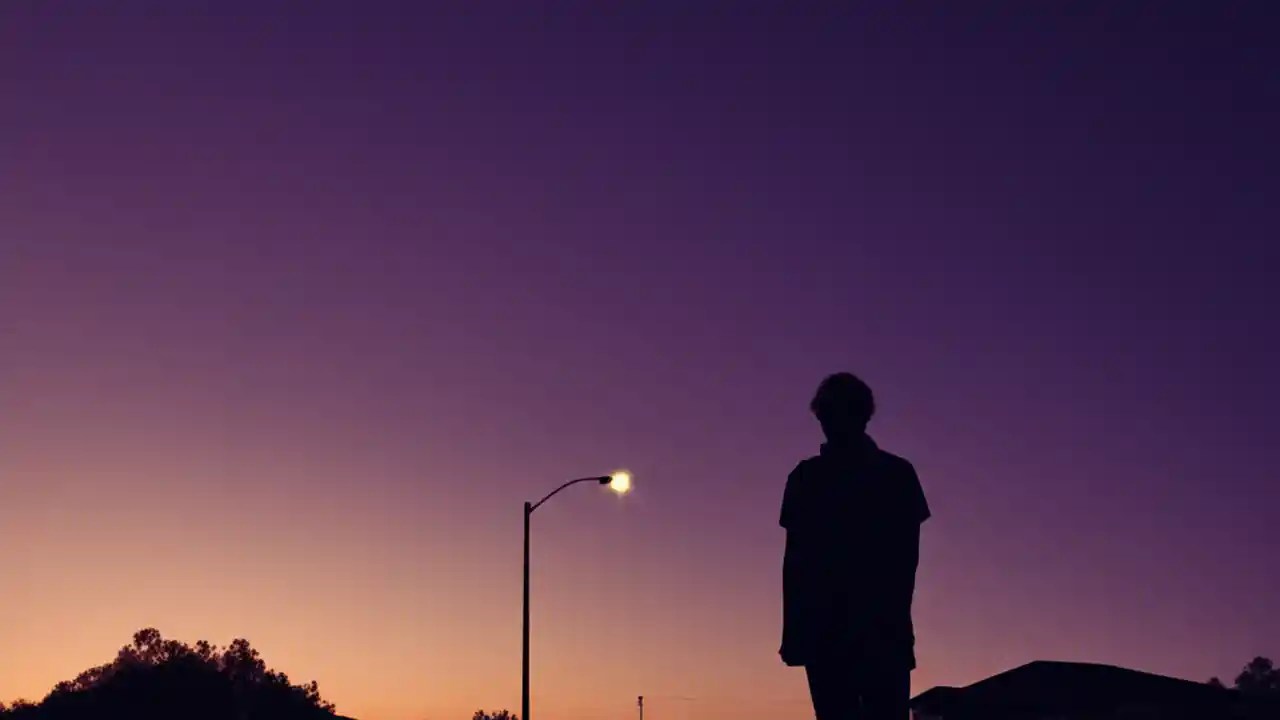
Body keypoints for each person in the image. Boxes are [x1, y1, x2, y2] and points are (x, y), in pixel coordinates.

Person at [780, 373, 930, 720]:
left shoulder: (894, 475)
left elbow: (907, 559)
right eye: (826, 415)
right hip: (844, 632)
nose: (829, 424)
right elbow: (796, 561)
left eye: (835, 413)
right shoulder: (807, 478)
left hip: (867, 631)